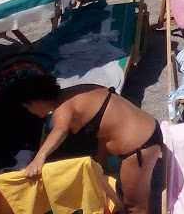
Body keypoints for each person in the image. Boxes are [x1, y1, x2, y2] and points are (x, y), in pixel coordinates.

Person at [9, 77, 162, 214]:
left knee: (134, 207)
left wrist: (39, 159)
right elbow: (105, 127)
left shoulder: (62, 109)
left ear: (36, 102)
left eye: (28, 107)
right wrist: (102, 163)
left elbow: (60, 130)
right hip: (148, 130)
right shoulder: (76, 92)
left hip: (139, 149)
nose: (30, 111)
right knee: (135, 199)